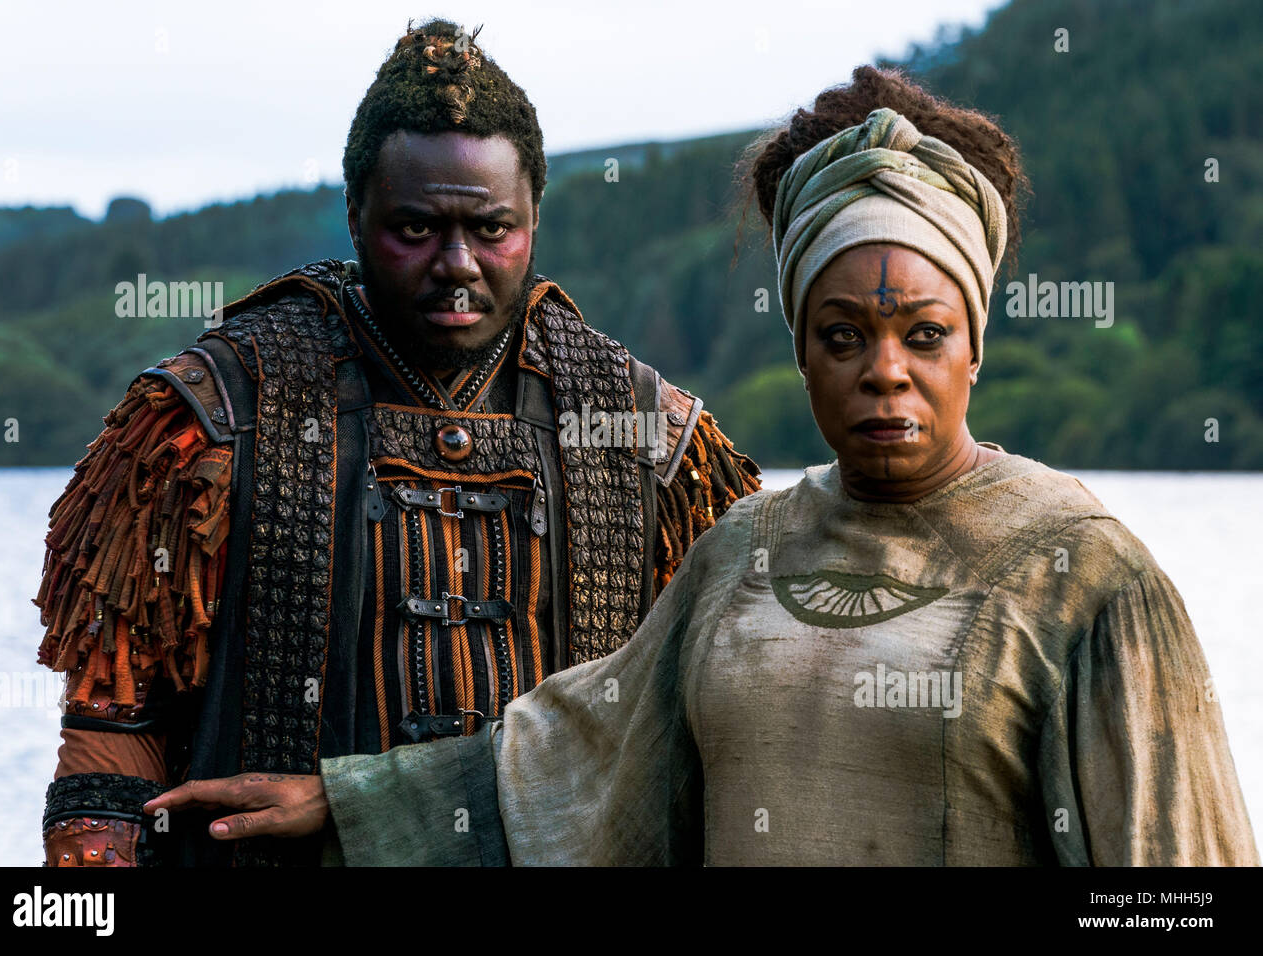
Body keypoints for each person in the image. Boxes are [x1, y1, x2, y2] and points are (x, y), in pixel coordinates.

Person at [146, 66, 1259, 866]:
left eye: (921, 334)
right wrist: (346, 803)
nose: (884, 373)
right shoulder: (744, 554)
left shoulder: (1084, 575)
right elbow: (564, 756)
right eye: (839, 336)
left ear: (975, 341)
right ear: (797, 348)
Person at [34, 18, 760, 867]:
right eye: (415, 229)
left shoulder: (649, 437)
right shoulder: (211, 417)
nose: (456, 262)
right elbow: (114, 726)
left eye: (492, 230)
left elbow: (716, 723)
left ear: (534, 218)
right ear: (355, 215)